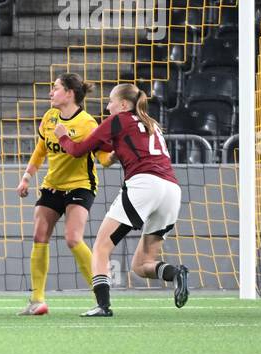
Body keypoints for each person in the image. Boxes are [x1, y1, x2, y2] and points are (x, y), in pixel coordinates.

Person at [56, 83, 190, 317]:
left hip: (144, 186)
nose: (107, 107)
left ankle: (103, 306)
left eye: (110, 102)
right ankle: (176, 273)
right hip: (171, 190)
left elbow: (78, 150)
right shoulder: (151, 124)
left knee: (100, 246)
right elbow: (117, 149)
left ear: (124, 104)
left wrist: (63, 137)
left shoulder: (120, 120)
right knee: (141, 265)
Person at [15, 73, 112, 315]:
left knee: (72, 238)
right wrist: (26, 177)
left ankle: (101, 296)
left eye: (55, 88)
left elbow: (102, 157)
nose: (51, 92)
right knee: (39, 236)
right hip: (52, 185)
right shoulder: (49, 117)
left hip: (80, 186)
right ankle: (37, 300)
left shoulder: (88, 124)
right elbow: (40, 151)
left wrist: (113, 156)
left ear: (69, 93)